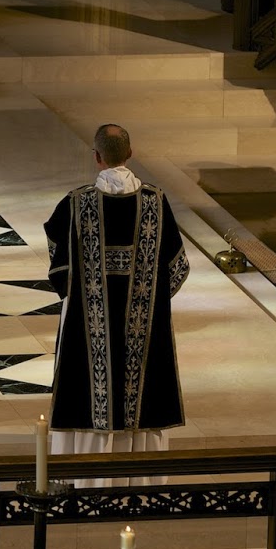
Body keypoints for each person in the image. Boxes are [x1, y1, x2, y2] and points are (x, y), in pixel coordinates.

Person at [43, 124, 188, 451]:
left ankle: (86, 468)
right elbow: (177, 268)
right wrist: (149, 300)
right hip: (144, 332)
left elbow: (59, 266)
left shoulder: (76, 203)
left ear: (96, 157)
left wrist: (78, 296)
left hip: (87, 327)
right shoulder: (156, 202)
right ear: (130, 154)